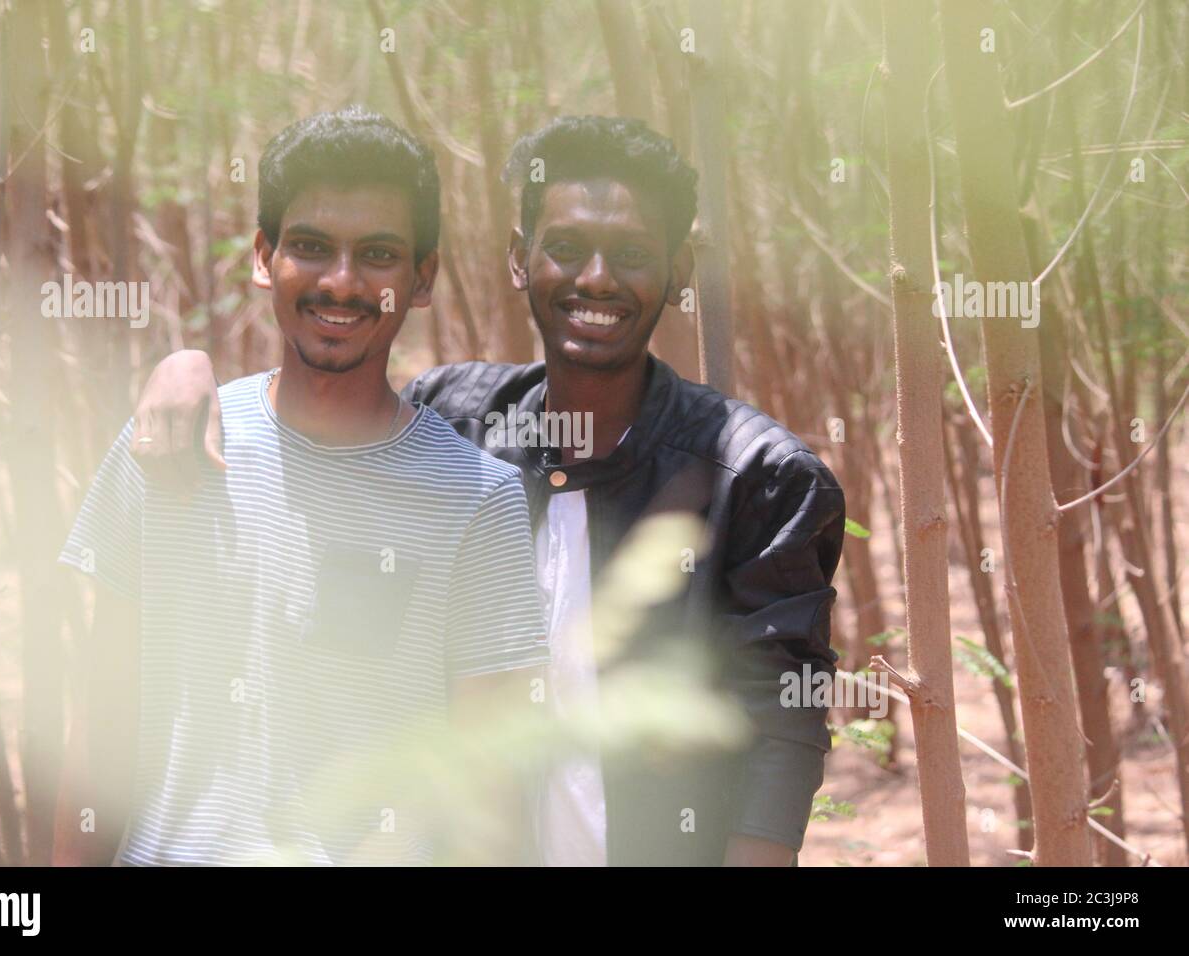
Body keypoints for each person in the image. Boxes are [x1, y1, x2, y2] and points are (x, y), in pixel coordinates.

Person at [134, 115, 846, 867]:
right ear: (520, 259)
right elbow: (320, 423)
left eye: (632, 254)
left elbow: (780, 733)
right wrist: (187, 368)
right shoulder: (456, 426)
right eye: (566, 248)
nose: (596, 277)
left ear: (679, 269)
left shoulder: (757, 478)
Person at [53, 107, 548, 866]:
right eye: (312, 247)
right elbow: (102, 716)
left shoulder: (476, 499)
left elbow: (486, 791)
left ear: (422, 278)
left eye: (378, 254)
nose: (341, 283)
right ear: (264, 256)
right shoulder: (166, 444)